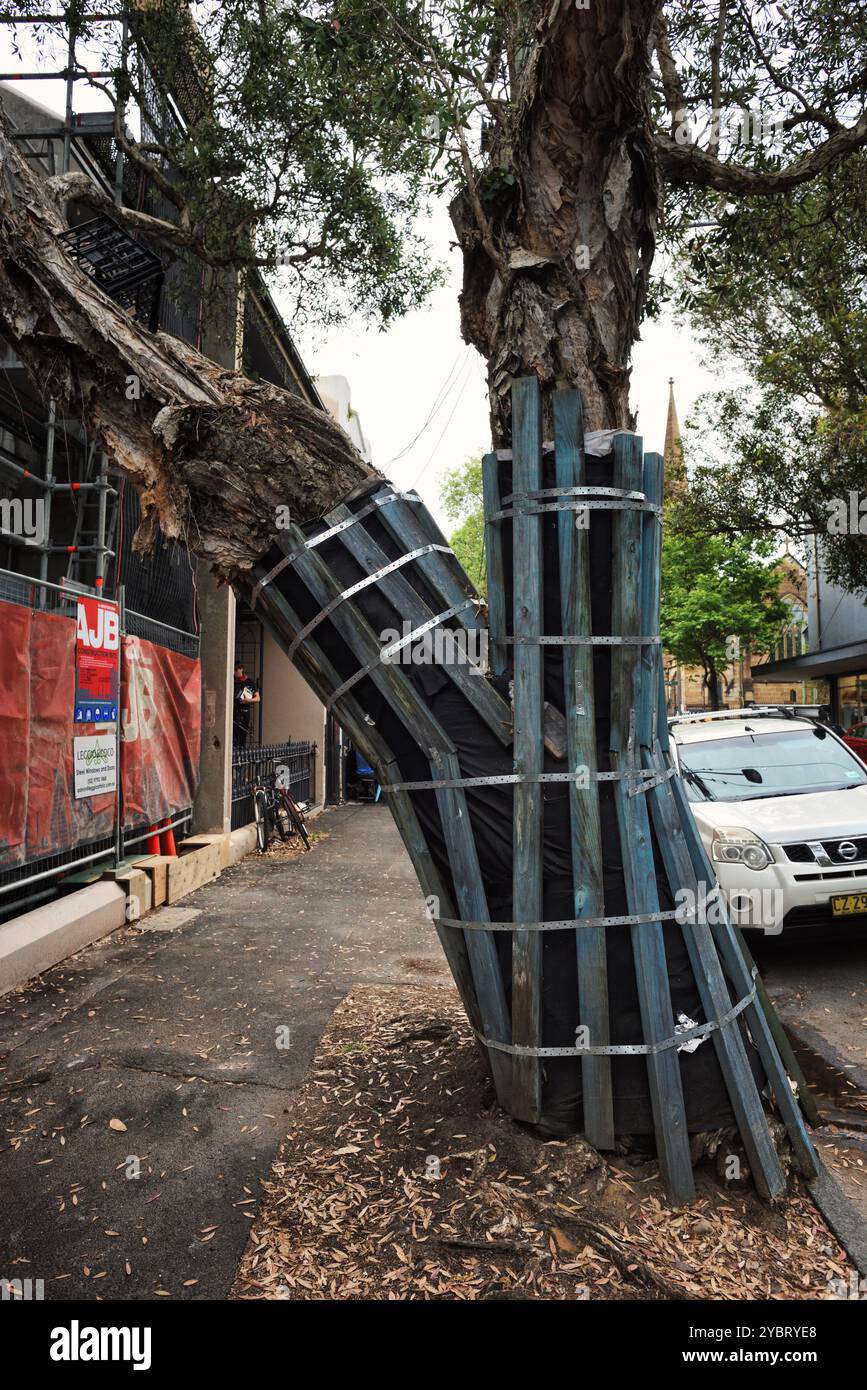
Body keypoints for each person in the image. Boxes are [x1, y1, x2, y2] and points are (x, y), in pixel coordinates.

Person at [233, 661, 260, 746]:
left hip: (244, 712)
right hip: (233, 711)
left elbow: (257, 698)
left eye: (236, 669)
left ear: (241, 669)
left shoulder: (249, 681)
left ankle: (241, 753)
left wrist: (248, 701)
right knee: (233, 736)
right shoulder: (231, 681)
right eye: (233, 670)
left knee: (242, 736)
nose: (234, 672)